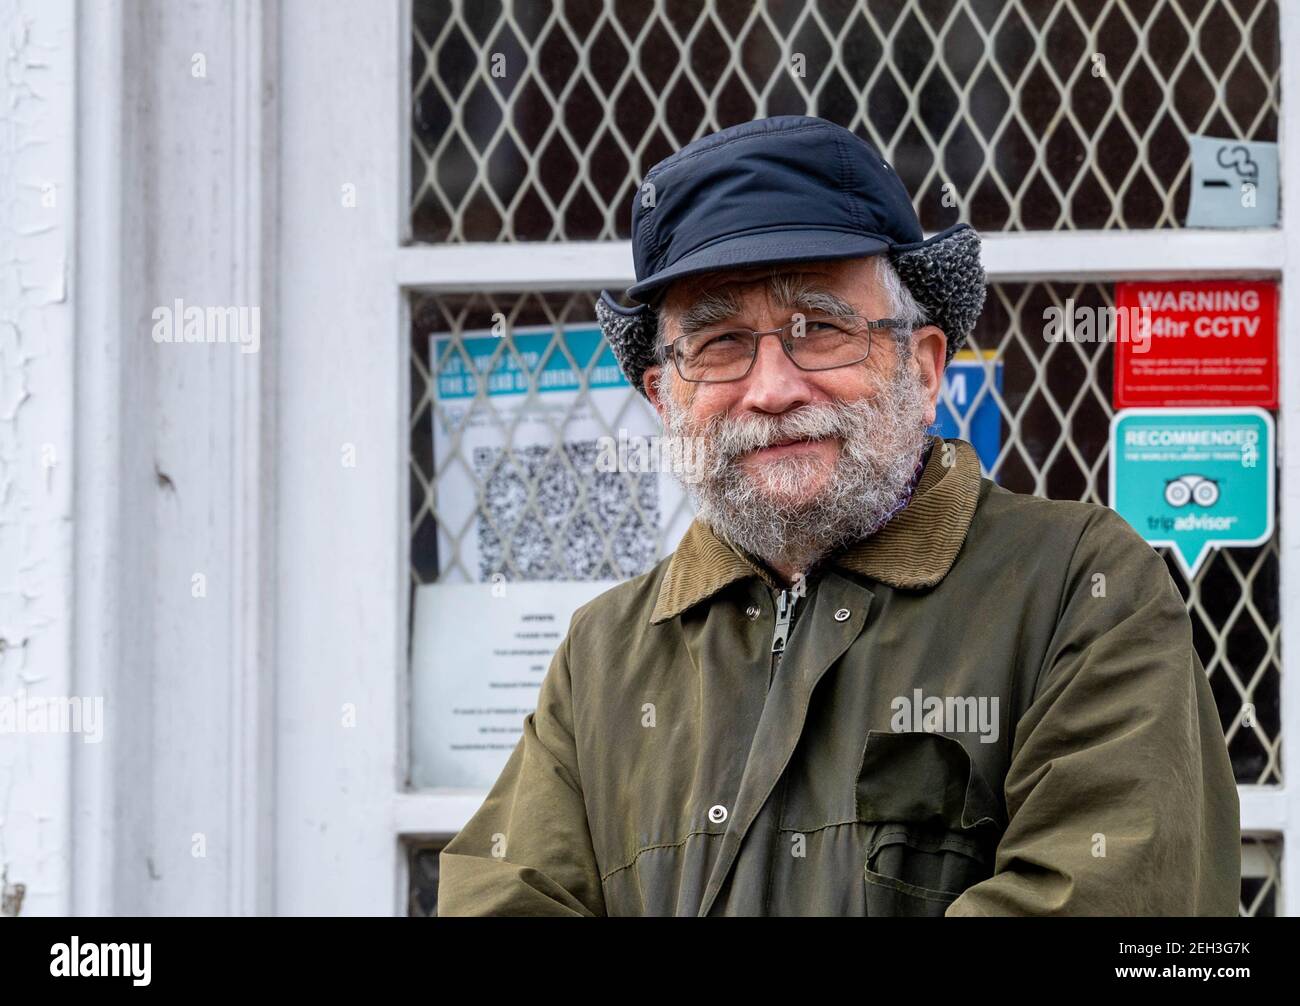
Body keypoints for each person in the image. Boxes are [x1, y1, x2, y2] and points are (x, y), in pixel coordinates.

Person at [436, 115, 1240, 916]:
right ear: (663, 399)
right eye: (719, 343)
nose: (772, 389)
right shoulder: (604, 655)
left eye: (819, 328)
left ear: (923, 367)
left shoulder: (1078, 588)